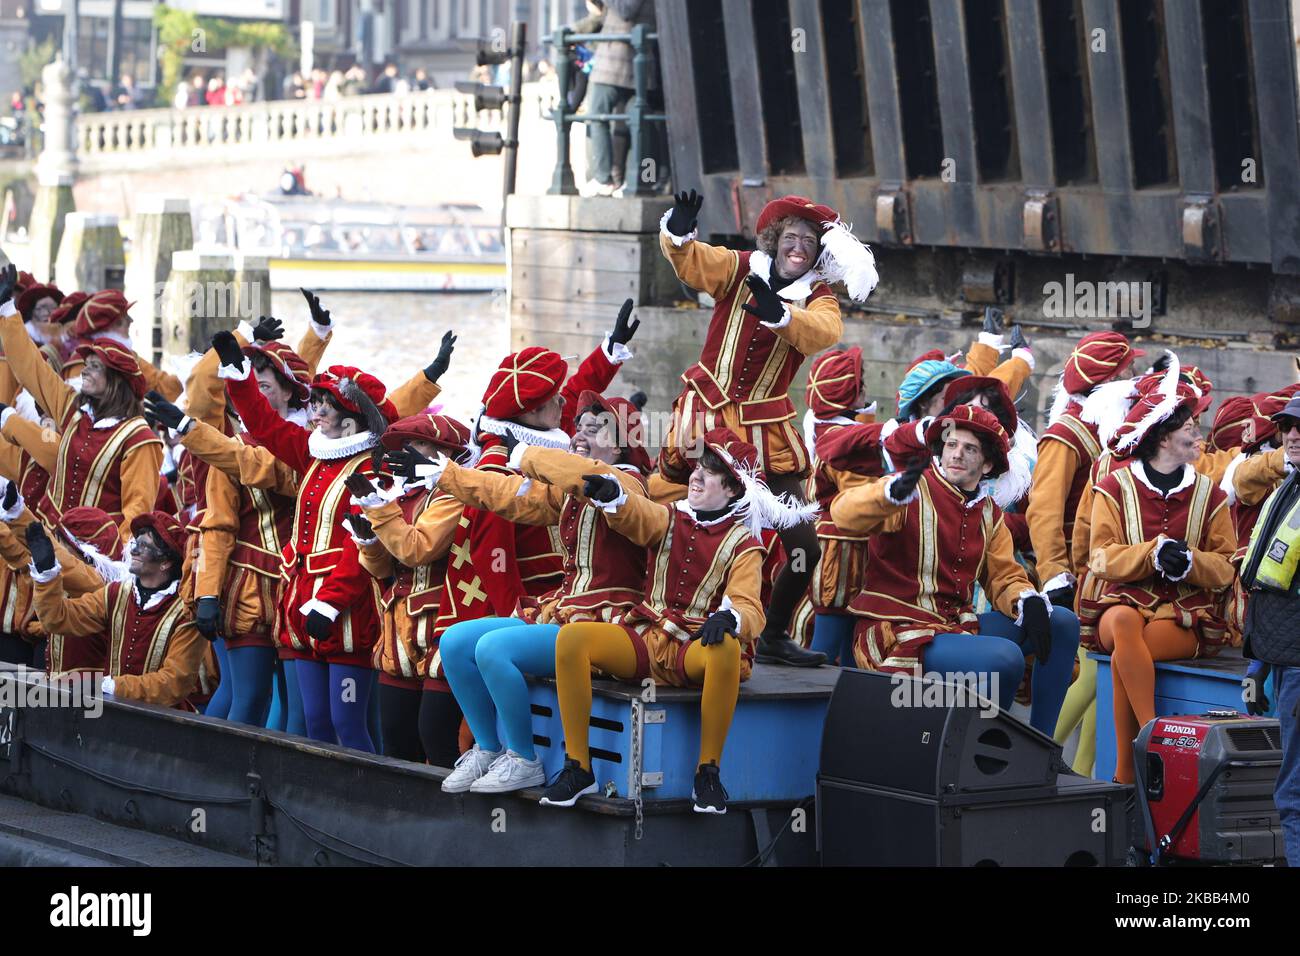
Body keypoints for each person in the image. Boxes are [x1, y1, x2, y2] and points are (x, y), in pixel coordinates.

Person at [658, 190, 879, 667]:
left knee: (804, 545)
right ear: (776, 241)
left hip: (768, 432)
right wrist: (678, 230)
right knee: (692, 523)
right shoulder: (740, 269)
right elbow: (693, 264)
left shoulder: (818, 298)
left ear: (818, 254)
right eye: (791, 237)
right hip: (709, 418)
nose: (798, 246)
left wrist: (779, 315)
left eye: (808, 241)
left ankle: (774, 633)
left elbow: (822, 333)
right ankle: (674, 621)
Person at [541, 428, 809, 814]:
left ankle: (708, 772)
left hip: (695, 649)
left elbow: (751, 606)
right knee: (571, 640)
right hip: (650, 638)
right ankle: (579, 768)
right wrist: (614, 495)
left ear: (733, 489)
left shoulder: (745, 543)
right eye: (698, 466)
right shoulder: (669, 518)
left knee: (725, 652)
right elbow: (638, 514)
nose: (697, 475)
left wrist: (730, 618)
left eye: (710, 471)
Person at [417, 391, 652, 794]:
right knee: (455, 642)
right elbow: (509, 497)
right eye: (580, 426)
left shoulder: (625, 485)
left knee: (494, 649)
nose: (580, 435)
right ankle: (489, 748)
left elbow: (597, 480)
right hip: (562, 609)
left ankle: (523, 758)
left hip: (605, 620)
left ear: (619, 443)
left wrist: (527, 453)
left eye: (595, 430)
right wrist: (447, 475)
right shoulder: (572, 490)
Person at [830, 404, 1079, 735]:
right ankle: (983, 754)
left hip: (954, 628)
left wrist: (1025, 599)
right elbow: (843, 514)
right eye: (951, 445)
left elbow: (1005, 576)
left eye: (970, 449)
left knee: (1061, 621)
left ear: (987, 464)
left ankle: (1044, 747)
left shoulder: (989, 513)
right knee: (1004, 658)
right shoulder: (907, 490)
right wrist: (886, 494)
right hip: (897, 631)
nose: (957, 454)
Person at [1079, 358, 1236, 784]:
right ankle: (1155, 741)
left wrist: (1190, 563)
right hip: (1120, 606)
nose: (1199, 435)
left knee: (1127, 657)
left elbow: (1224, 569)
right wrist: (1150, 554)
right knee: (1126, 623)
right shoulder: (1114, 487)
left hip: (1180, 614)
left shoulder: (1211, 494)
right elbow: (1100, 557)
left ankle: (1126, 771)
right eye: (1190, 427)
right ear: (1164, 437)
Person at [0, 265, 163, 540]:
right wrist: (6, 309)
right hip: (50, 539)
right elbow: (31, 368)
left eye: (95, 367)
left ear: (116, 382)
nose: (84, 370)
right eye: (86, 364)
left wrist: (119, 562)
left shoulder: (140, 439)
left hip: (97, 555)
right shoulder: (72, 408)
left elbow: (137, 510)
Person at [348, 412, 469, 763]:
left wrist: (379, 511)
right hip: (397, 633)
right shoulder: (401, 497)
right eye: (402, 446)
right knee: (397, 741)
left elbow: (417, 550)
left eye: (416, 444)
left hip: (439, 629)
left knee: (437, 739)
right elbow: (382, 568)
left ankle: (449, 816)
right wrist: (369, 542)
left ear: (441, 452)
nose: (405, 452)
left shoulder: (450, 497)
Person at [28, 510, 205, 709]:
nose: (134, 551)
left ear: (165, 562)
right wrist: (46, 575)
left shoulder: (186, 613)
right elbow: (58, 618)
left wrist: (112, 686)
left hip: (164, 725)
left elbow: (175, 682)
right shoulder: (117, 593)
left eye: (144, 546)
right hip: (112, 713)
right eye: (135, 543)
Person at [1237, 394, 1300, 865]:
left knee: (1293, 798)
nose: (1292, 434)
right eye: (1286, 426)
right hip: (1284, 656)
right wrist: (1258, 664)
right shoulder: (1289, 487)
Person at [800, 347, 887, 665]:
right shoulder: (843, 440)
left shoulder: (826, 428)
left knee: (847, 642)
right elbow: (859, 497)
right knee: (831, 646)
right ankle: (817, 711)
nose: (865, 387)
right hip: (843, 551)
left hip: (834, 546)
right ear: (847, 393)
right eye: (859, 382)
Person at [583, 0, 655, 195]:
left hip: (617, 62)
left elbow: (626, 10)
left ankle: (604, 178)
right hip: (629, 61)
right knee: (635, 122)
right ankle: (630, 181)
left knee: (598, 115)